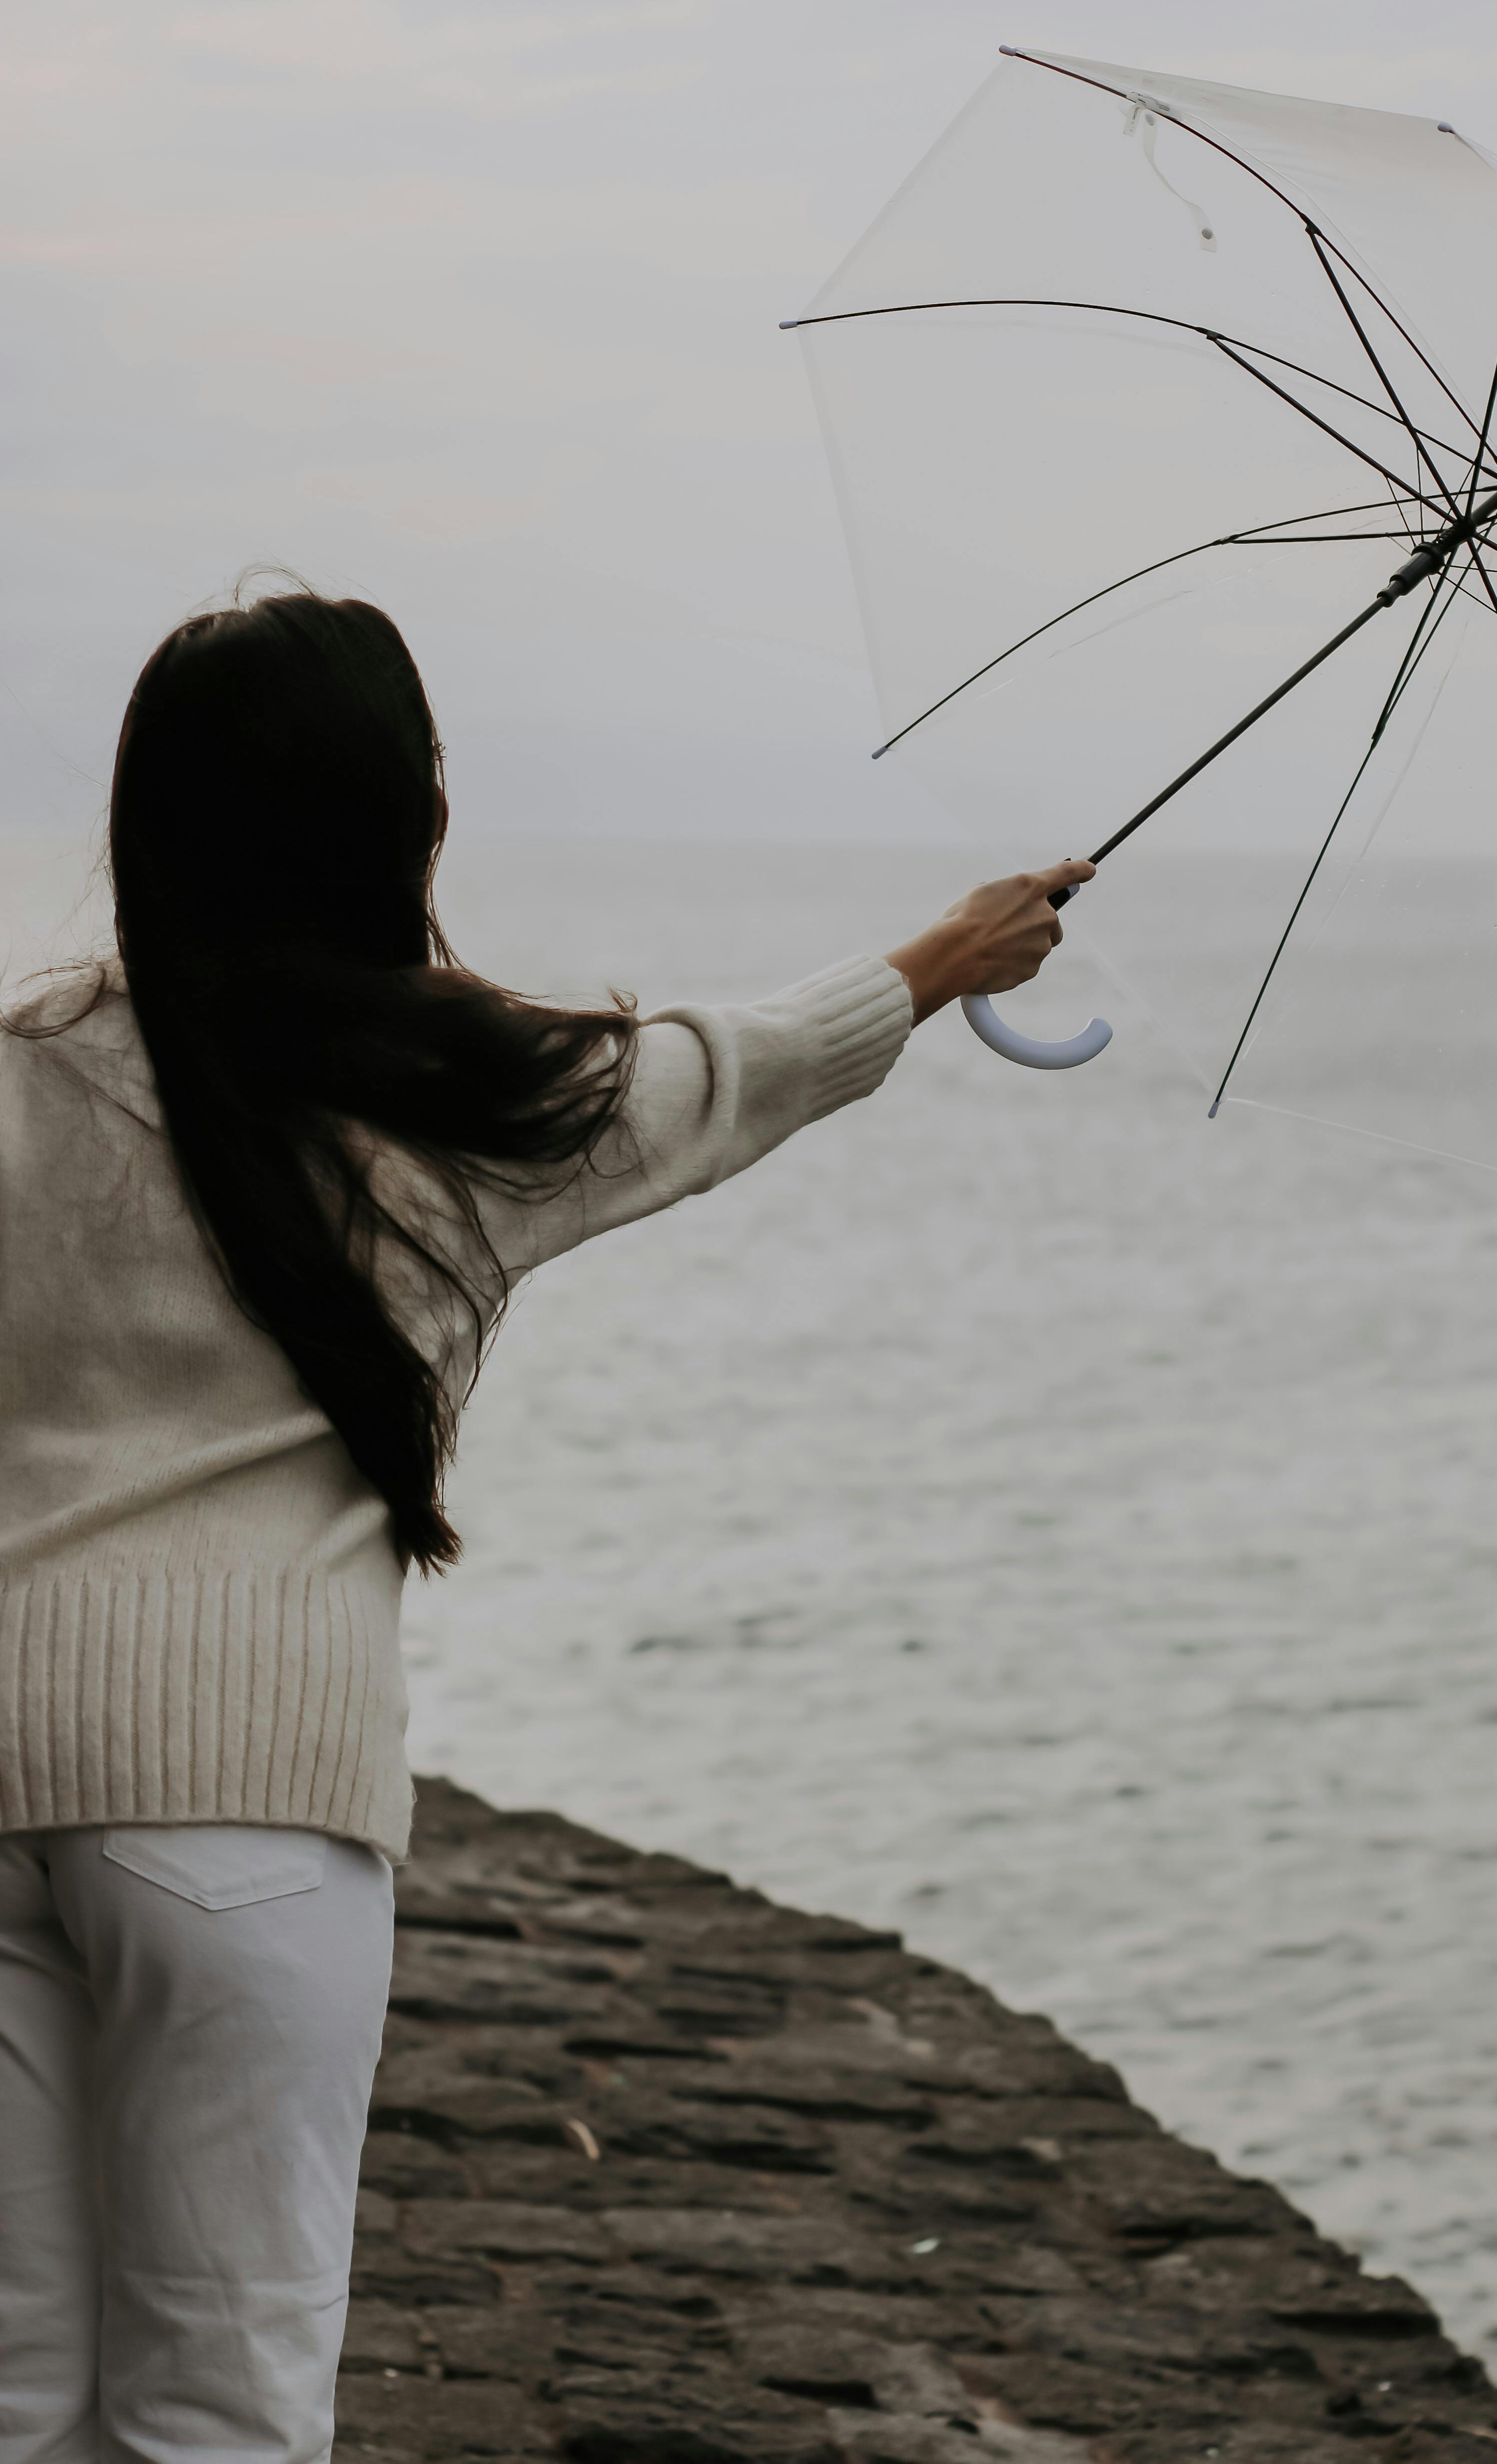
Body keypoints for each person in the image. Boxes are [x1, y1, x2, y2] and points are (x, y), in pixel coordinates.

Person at [0, 587, 1089, 2464]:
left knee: (17, 2386)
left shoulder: (20, 1066)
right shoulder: (471, 1096)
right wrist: (946, 956)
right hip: (246, 1799)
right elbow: (731, 1071)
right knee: (228, 2398)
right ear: (403, 816)